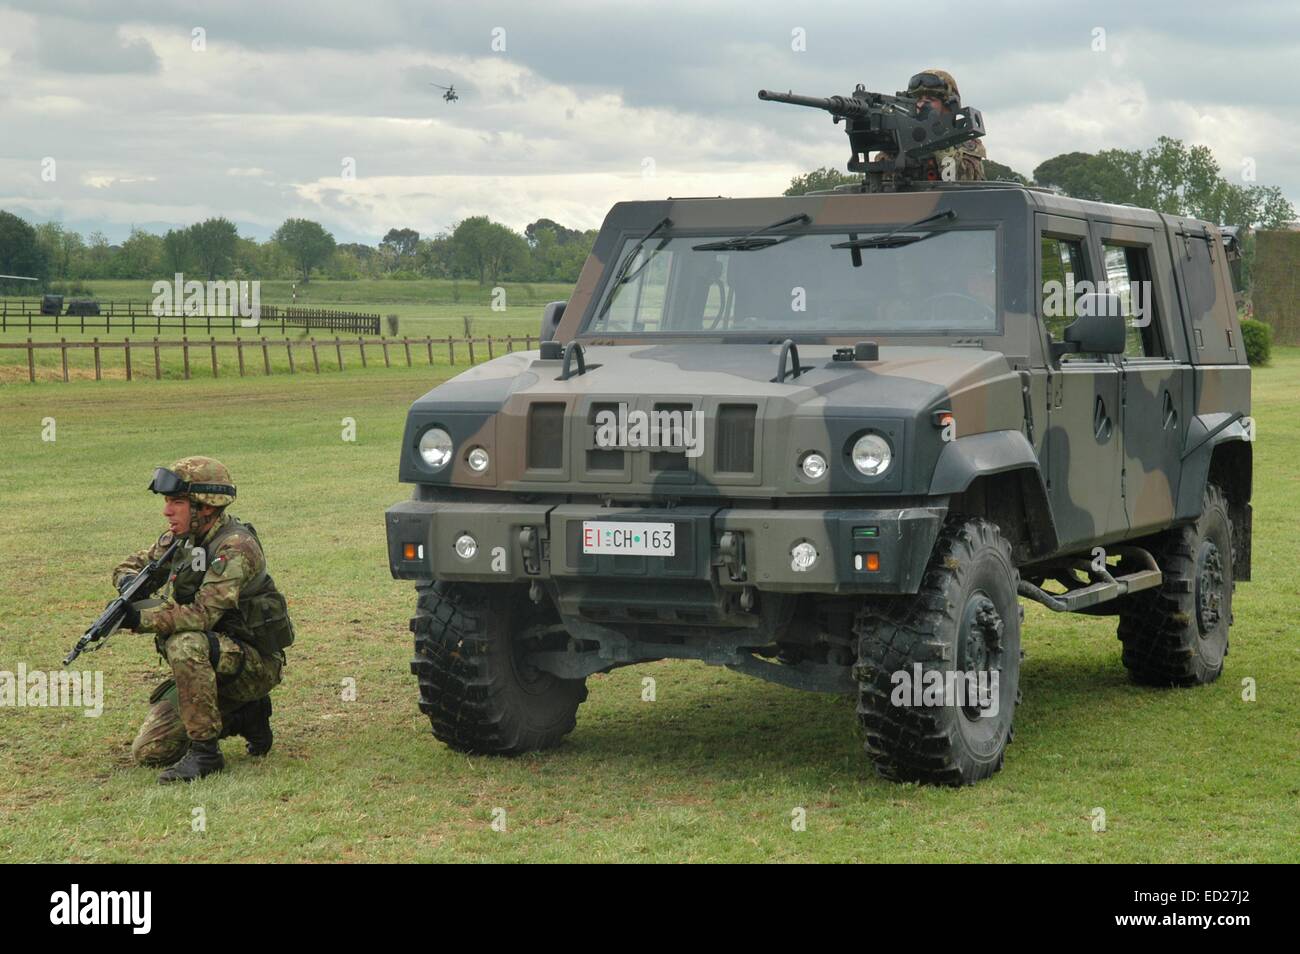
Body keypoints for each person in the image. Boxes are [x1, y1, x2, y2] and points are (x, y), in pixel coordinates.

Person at [113, 457, 294, 783]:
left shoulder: (235, 548)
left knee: (185, 642)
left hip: (254, 664)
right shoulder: (179, 539)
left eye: (176, 502)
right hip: (214, 662)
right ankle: (244, 716)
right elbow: (133, 563)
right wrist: (129, 582)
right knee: (150, 751)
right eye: (167, 502)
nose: (167, 511)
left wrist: (140, 619)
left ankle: (205, 754)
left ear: (205, 507)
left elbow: (202, 614)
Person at [878, 68, 986, 182]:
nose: (921, 105)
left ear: (949, 106)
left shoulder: (966, 145)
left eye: (930, 100)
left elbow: (963, 182)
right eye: (918, 100)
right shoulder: (901, 143)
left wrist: (936, 139)